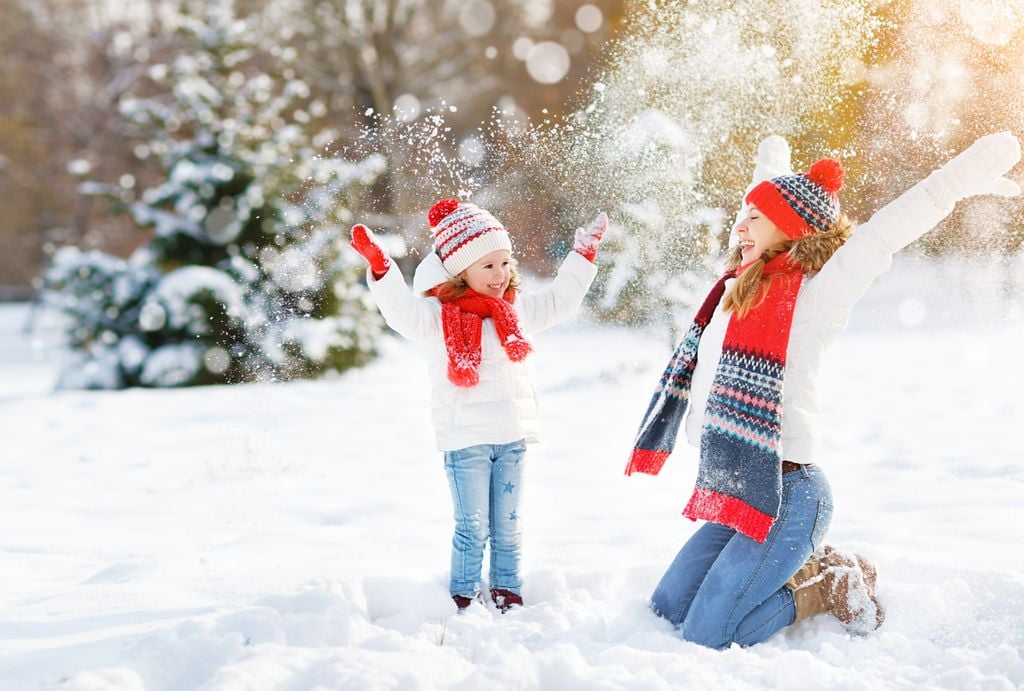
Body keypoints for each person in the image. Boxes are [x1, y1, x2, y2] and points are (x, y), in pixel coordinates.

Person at [626, 132, 1021, 648]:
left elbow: (881, 236)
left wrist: (954, 182)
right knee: (666, 611)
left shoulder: (814, 299)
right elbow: (766, 213)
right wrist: (769, 178)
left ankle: (824, 582)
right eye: (743, 215)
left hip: (793, 494)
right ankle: (779, 572)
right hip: (745, 490)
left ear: (790, 228)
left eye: (754, 218)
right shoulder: (735, 289)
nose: (739, 226)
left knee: (710, 633)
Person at [350, 198, 607, 612]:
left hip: (512, 439)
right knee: (472, 529)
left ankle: (508, 592)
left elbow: (560, 301)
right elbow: (401, 314)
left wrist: (583, 256)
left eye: (505, 263)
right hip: (466, 441)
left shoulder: (516, 309)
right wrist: (382, 269)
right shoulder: (436, 316)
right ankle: (464, 597)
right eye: (488, 265)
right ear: (460, 270)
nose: (500, 274)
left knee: (508, 528)